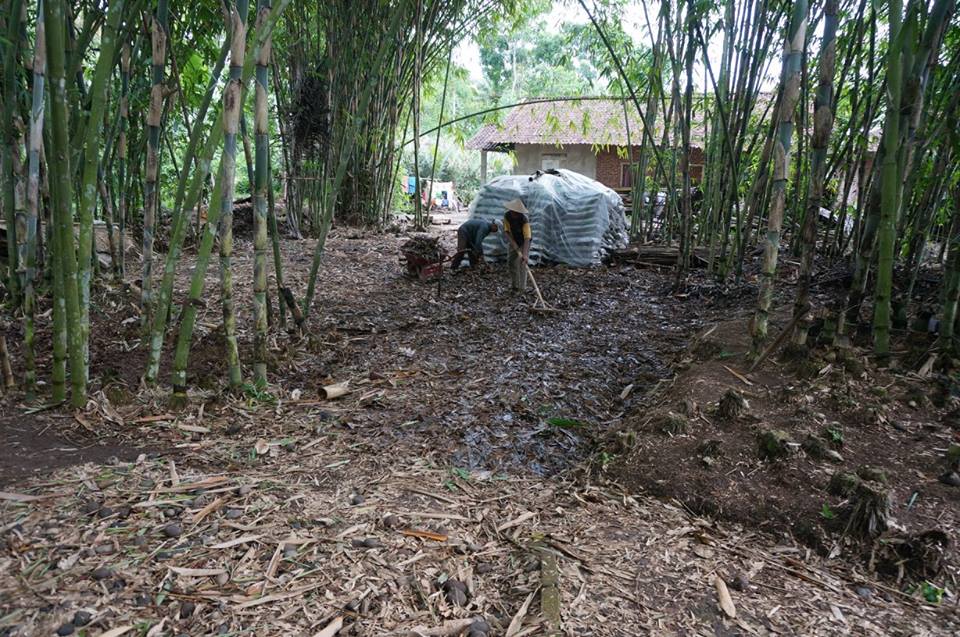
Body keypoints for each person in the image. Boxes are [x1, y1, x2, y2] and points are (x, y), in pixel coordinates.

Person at [502, 198, 531, 291]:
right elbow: (506, 231)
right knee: (511, 262)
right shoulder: (507, 216)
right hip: (513, 239)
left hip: (523, 242)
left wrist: (525, 254)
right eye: (513, 212)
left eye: (516, 212)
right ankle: (515, 285)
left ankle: (522, 288)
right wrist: (513, 244)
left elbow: (527, 237)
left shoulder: (524, 220)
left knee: (522, 263)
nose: (514, 214)